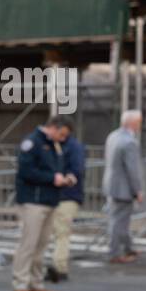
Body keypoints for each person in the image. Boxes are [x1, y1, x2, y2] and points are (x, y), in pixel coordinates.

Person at [11, 116, 74, 291]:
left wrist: (66, 177)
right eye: (61, 134)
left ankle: (36, 283)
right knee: (28, 245)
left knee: (41, 246)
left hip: (49, 200)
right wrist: (52, 178)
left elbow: (56, 167)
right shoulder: (32, 142)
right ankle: (20, 283)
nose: (63, 139)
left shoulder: (54, 145)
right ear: (53, 127)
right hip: (33, 201)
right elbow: (25, 171)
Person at [103, 110, 144, 264]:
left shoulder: (113, 136)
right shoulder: (130, 142)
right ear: (133, 123)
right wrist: (138, 190)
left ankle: (127, 247)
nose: (140, 125)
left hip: (111, 185)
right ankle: (114, 253)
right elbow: (132, 170)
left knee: (119, 220)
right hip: (123, 188)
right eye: (139, 122)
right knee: (119, 221)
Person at [47, 117, 84, 282]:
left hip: (67, 195)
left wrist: (66, 179)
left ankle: (59, 266)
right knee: (57, 232)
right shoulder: (53, 145)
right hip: (56, 194)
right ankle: (57, 265)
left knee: (61, 232)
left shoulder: (73, 147)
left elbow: (76, 169)